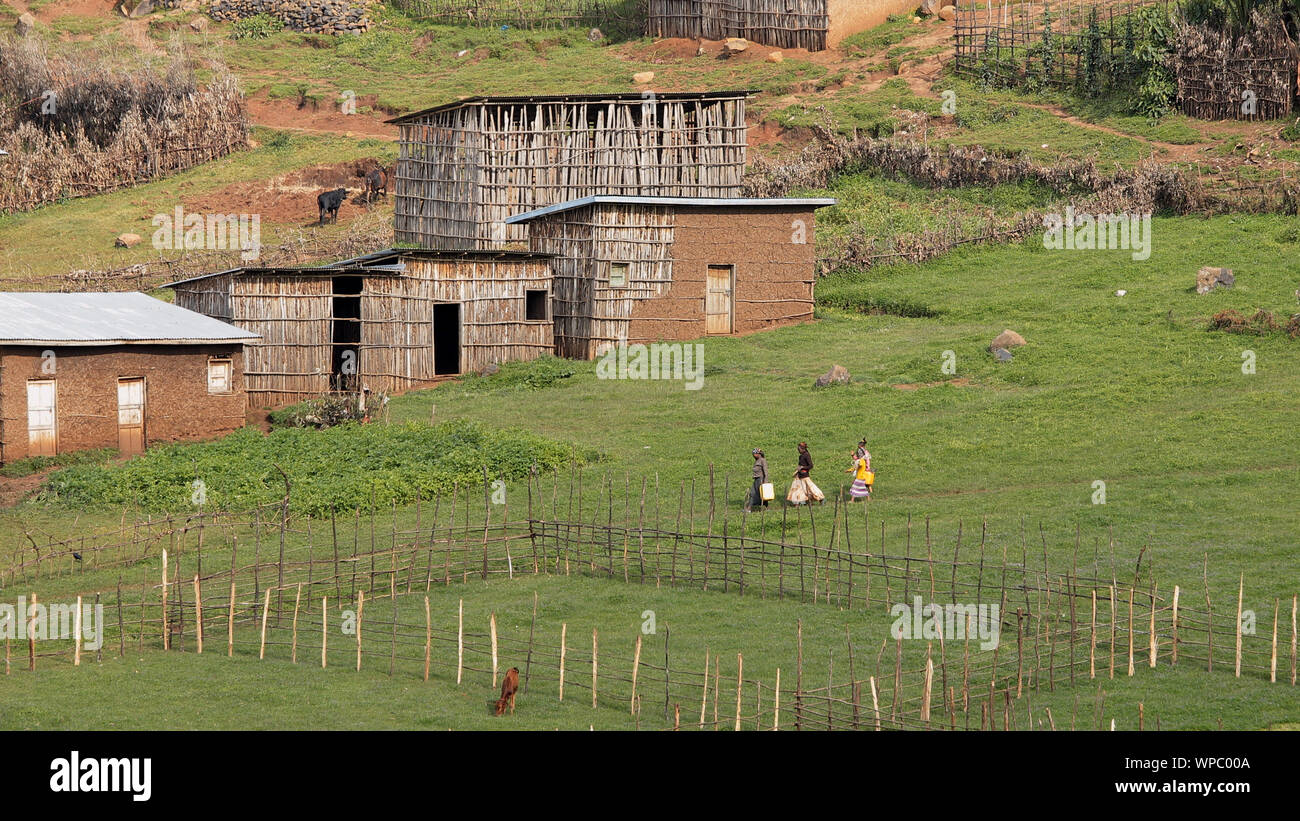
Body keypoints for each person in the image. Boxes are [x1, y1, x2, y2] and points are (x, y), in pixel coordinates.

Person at [745, 448, 769, 512]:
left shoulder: (762, 460)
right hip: (756, 479)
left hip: (761, 479)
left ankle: (750, 508)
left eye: (754, 454)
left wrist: (765, 481)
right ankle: (750, 508)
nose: (753, 455)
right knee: (754, 493)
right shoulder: (757, 461)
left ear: (759, 454)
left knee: (762, 494)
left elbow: (765, 471)